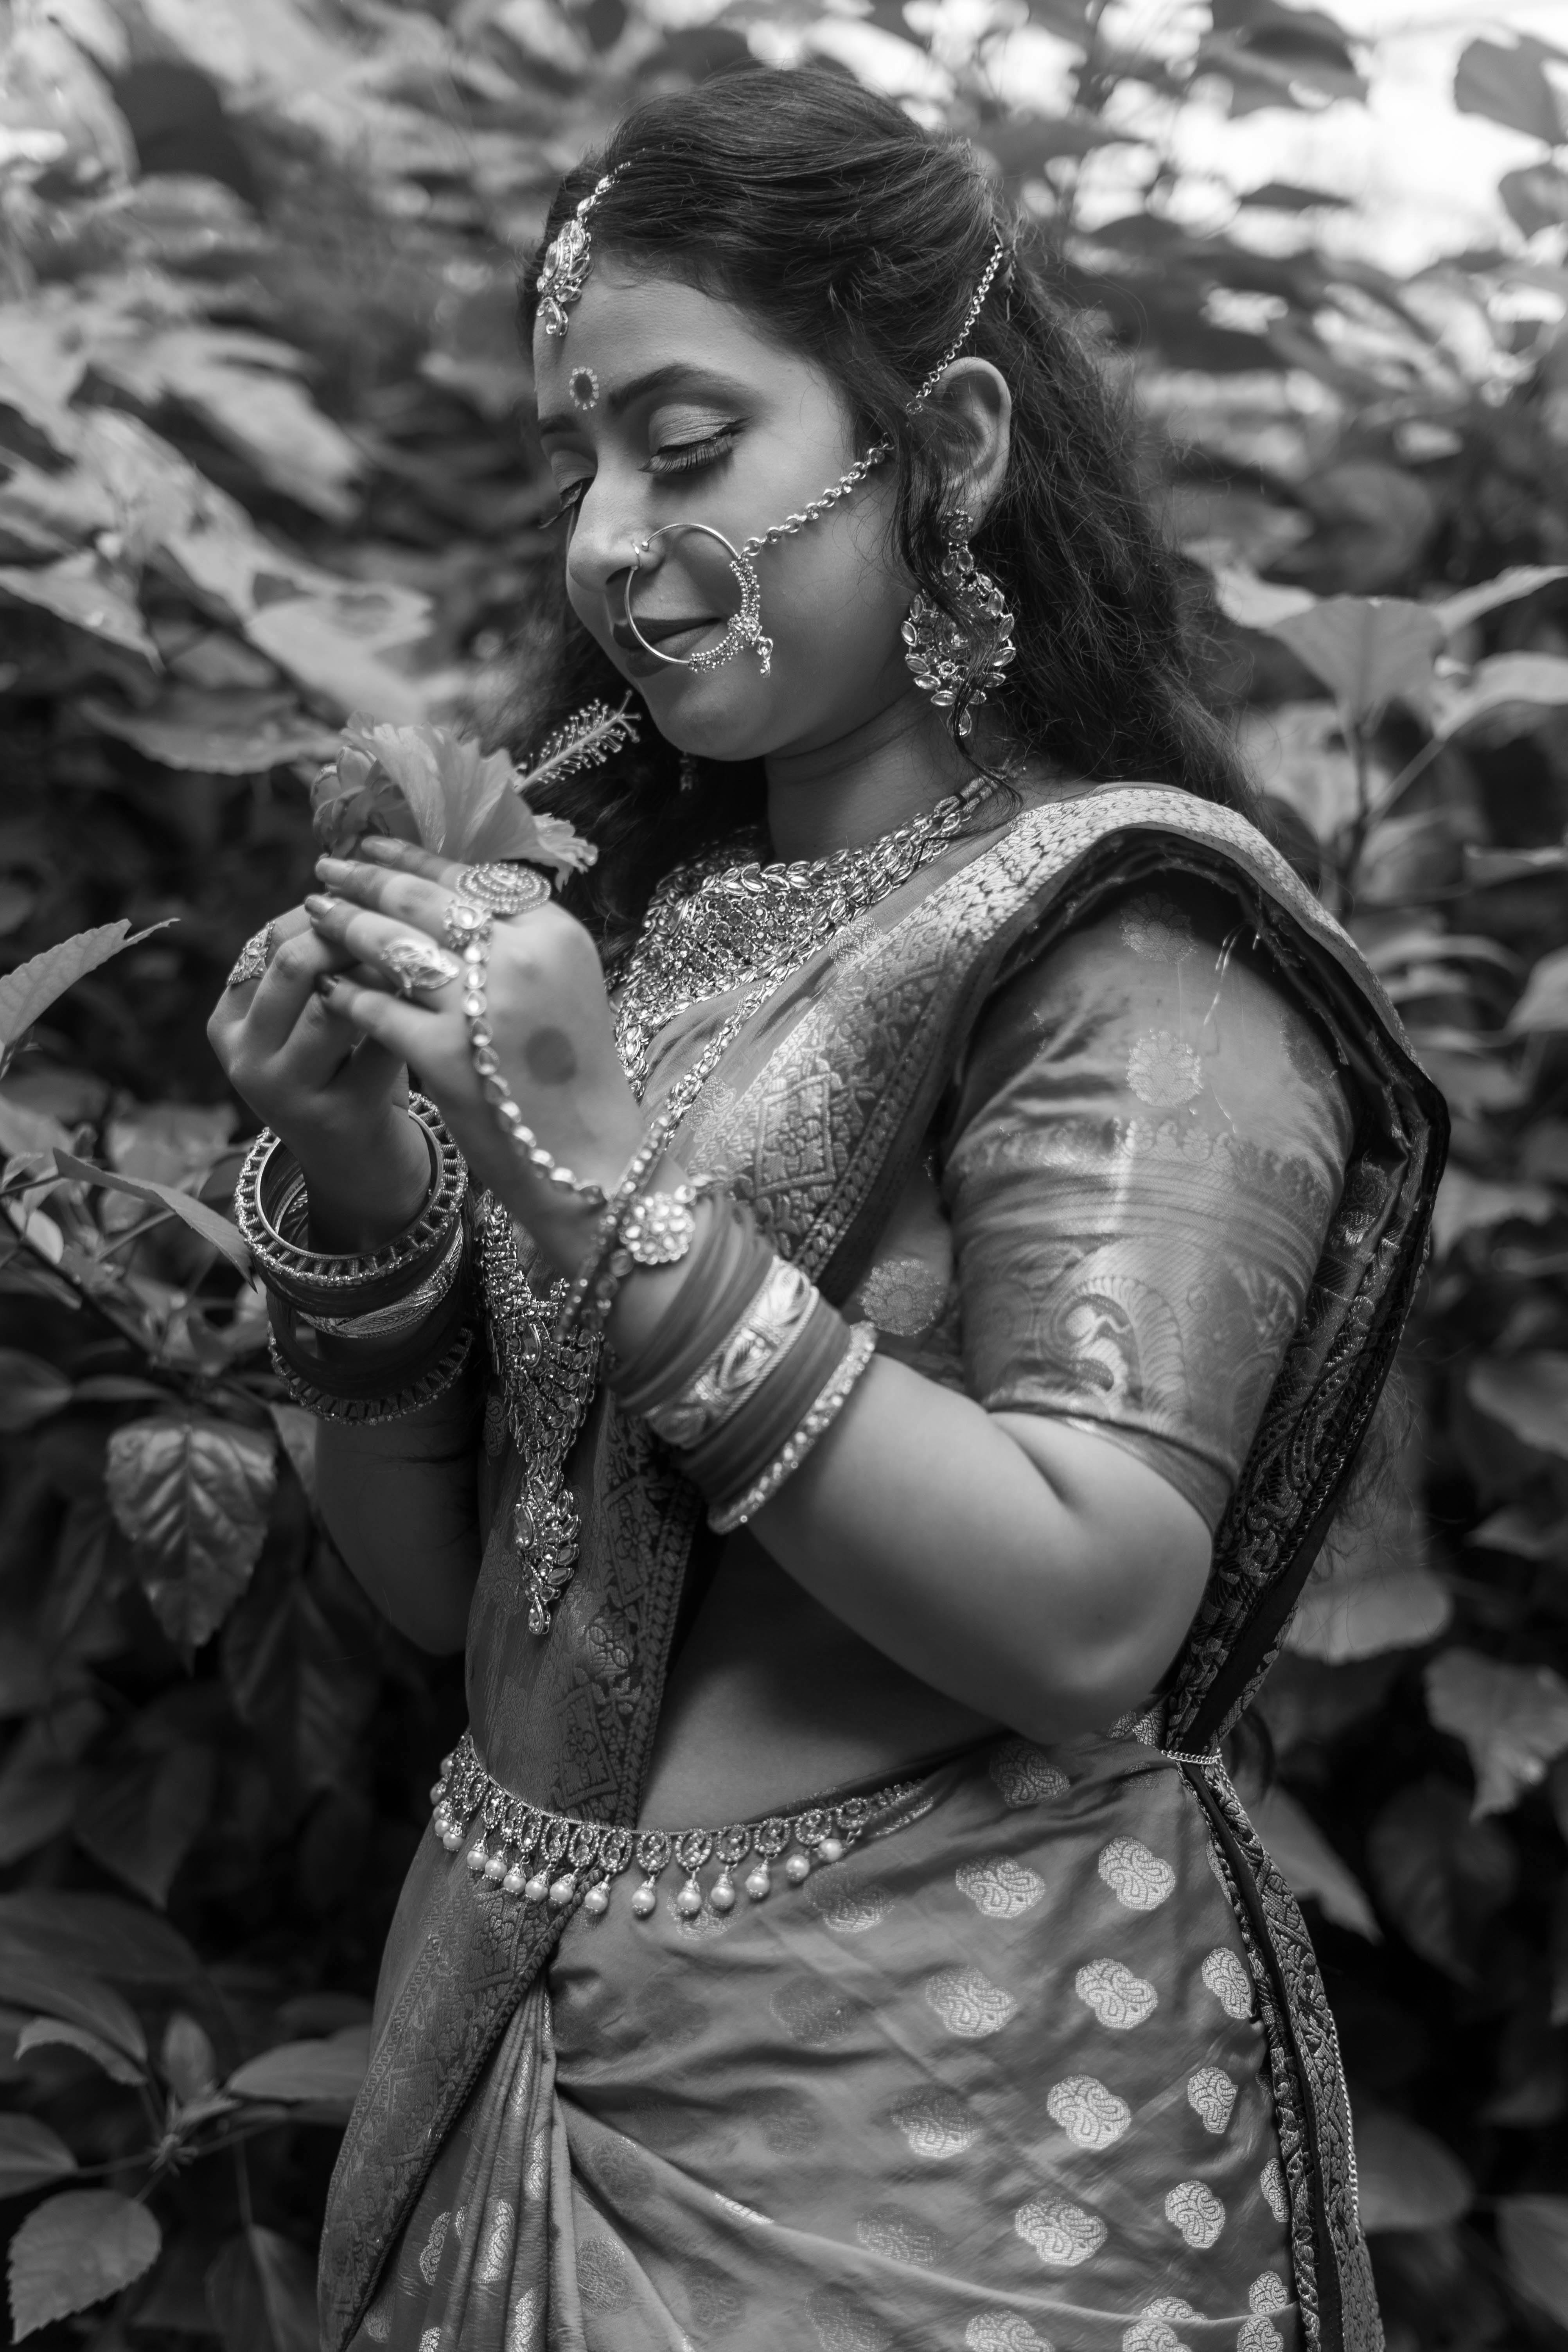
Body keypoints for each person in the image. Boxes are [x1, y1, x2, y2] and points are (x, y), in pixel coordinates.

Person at [208, 68, 1443, 2352]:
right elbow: (470, 1611)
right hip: (513, 2033)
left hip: (931, 2142)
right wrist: (378, 1194)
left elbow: (1091, 1617)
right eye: (577, 463)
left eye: (685, 448)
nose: (607, 538)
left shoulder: (1130, 940)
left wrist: (595, 1180)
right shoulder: (649, 938)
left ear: (946, 445)